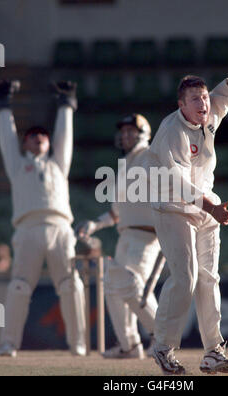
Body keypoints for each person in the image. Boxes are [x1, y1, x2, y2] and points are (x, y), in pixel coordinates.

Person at [148, 12, 228, 375]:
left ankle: (213, 351)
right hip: (172, 206)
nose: (202, 104)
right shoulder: (171, 132)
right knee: (185, 278)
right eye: (194, 100)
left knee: (210, 279)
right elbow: (179, 185)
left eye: (203, 97)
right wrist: (208, 207)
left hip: (206, 204)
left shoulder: (211, 110)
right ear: (180, 104)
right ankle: (163, 349)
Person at [0, 80, 86, 357]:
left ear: (49, 143)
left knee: (71, 285)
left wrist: (66, 105)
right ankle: (8, 343)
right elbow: (6, 138)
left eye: (43, 136)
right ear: (24, 143)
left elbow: (65, 138)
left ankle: (78, 344)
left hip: (61, 228)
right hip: (27, 229)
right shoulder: (18, 165)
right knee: (19, 286)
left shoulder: (58, 163)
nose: (39, 138)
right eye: (32, 136)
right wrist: (3, 105)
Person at [77, 114, 161, 359]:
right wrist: (94, 224)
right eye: (123, 131)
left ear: (143, 133)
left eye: (131, 131)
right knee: (113, 286)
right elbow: (118, 211)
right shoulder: (126, 164)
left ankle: (162, 338)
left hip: (147, 235)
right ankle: (129, 346)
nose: (125, 136)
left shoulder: (149, 156)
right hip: (126, 234)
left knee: (130, 283)